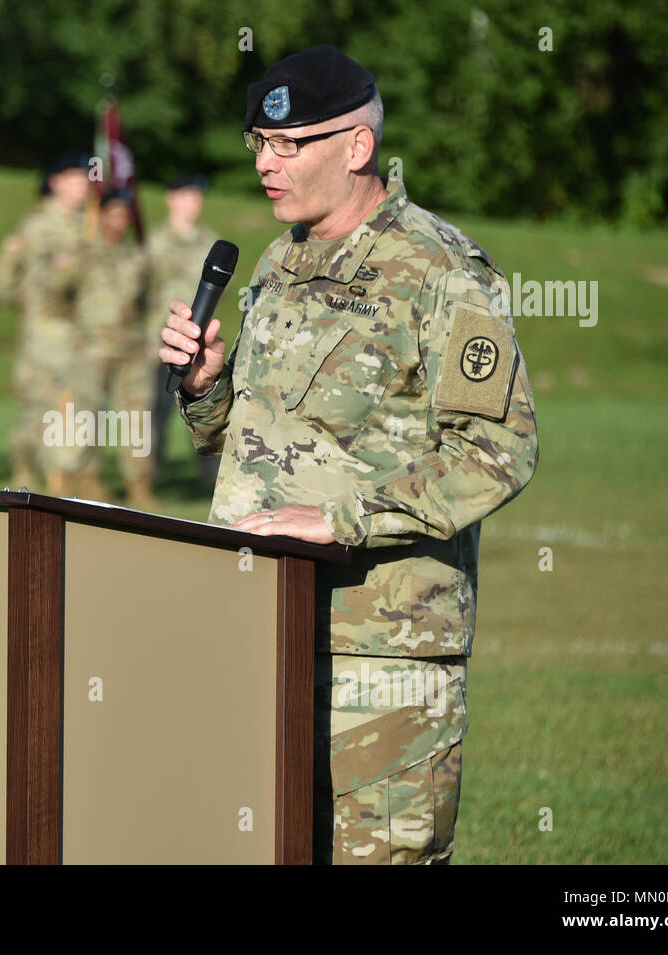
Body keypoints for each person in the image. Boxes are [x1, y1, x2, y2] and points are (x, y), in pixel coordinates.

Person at [159, 45, 539, 864]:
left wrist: (345, 519)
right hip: (263, 627)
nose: (265, 163)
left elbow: (500, 446)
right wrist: (205, 388)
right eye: (257, 143)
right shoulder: (276, 265)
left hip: (384, 657)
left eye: (288, 145)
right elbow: (252, 448)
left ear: (357, 148)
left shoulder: (441, 269)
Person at [0, 153, 88, 493]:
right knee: (38, 405)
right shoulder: (38, 225)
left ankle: (66, 476)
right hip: (44, 333)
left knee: (75, 405)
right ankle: (28, 469)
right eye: (74, 178)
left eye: (84, 178)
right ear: (55, 182)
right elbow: (2, 284)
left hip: (82, 335)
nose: (82, 186)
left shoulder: (92, 225)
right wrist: (31, 303)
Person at [72, 190, 154, 507]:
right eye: (114, 213)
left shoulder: (137, 256)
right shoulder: (84, 253)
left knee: (136, 418)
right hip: (92, 348)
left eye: (125, 214)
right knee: (89, 415)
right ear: (102, 215)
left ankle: (139, 485)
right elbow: (59, 293)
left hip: (130, 348)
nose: (120, 220)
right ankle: (87, 479)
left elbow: (147, 299)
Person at [143, 174, 218, 488]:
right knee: (154, 412)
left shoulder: (209, 242)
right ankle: (147, 480)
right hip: (160, 340)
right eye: (187, 195)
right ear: (170, 199)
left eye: (197, 196)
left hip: (198, 345)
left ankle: (211, 480)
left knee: (203, 410)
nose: (194, 202)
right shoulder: (152, 242)